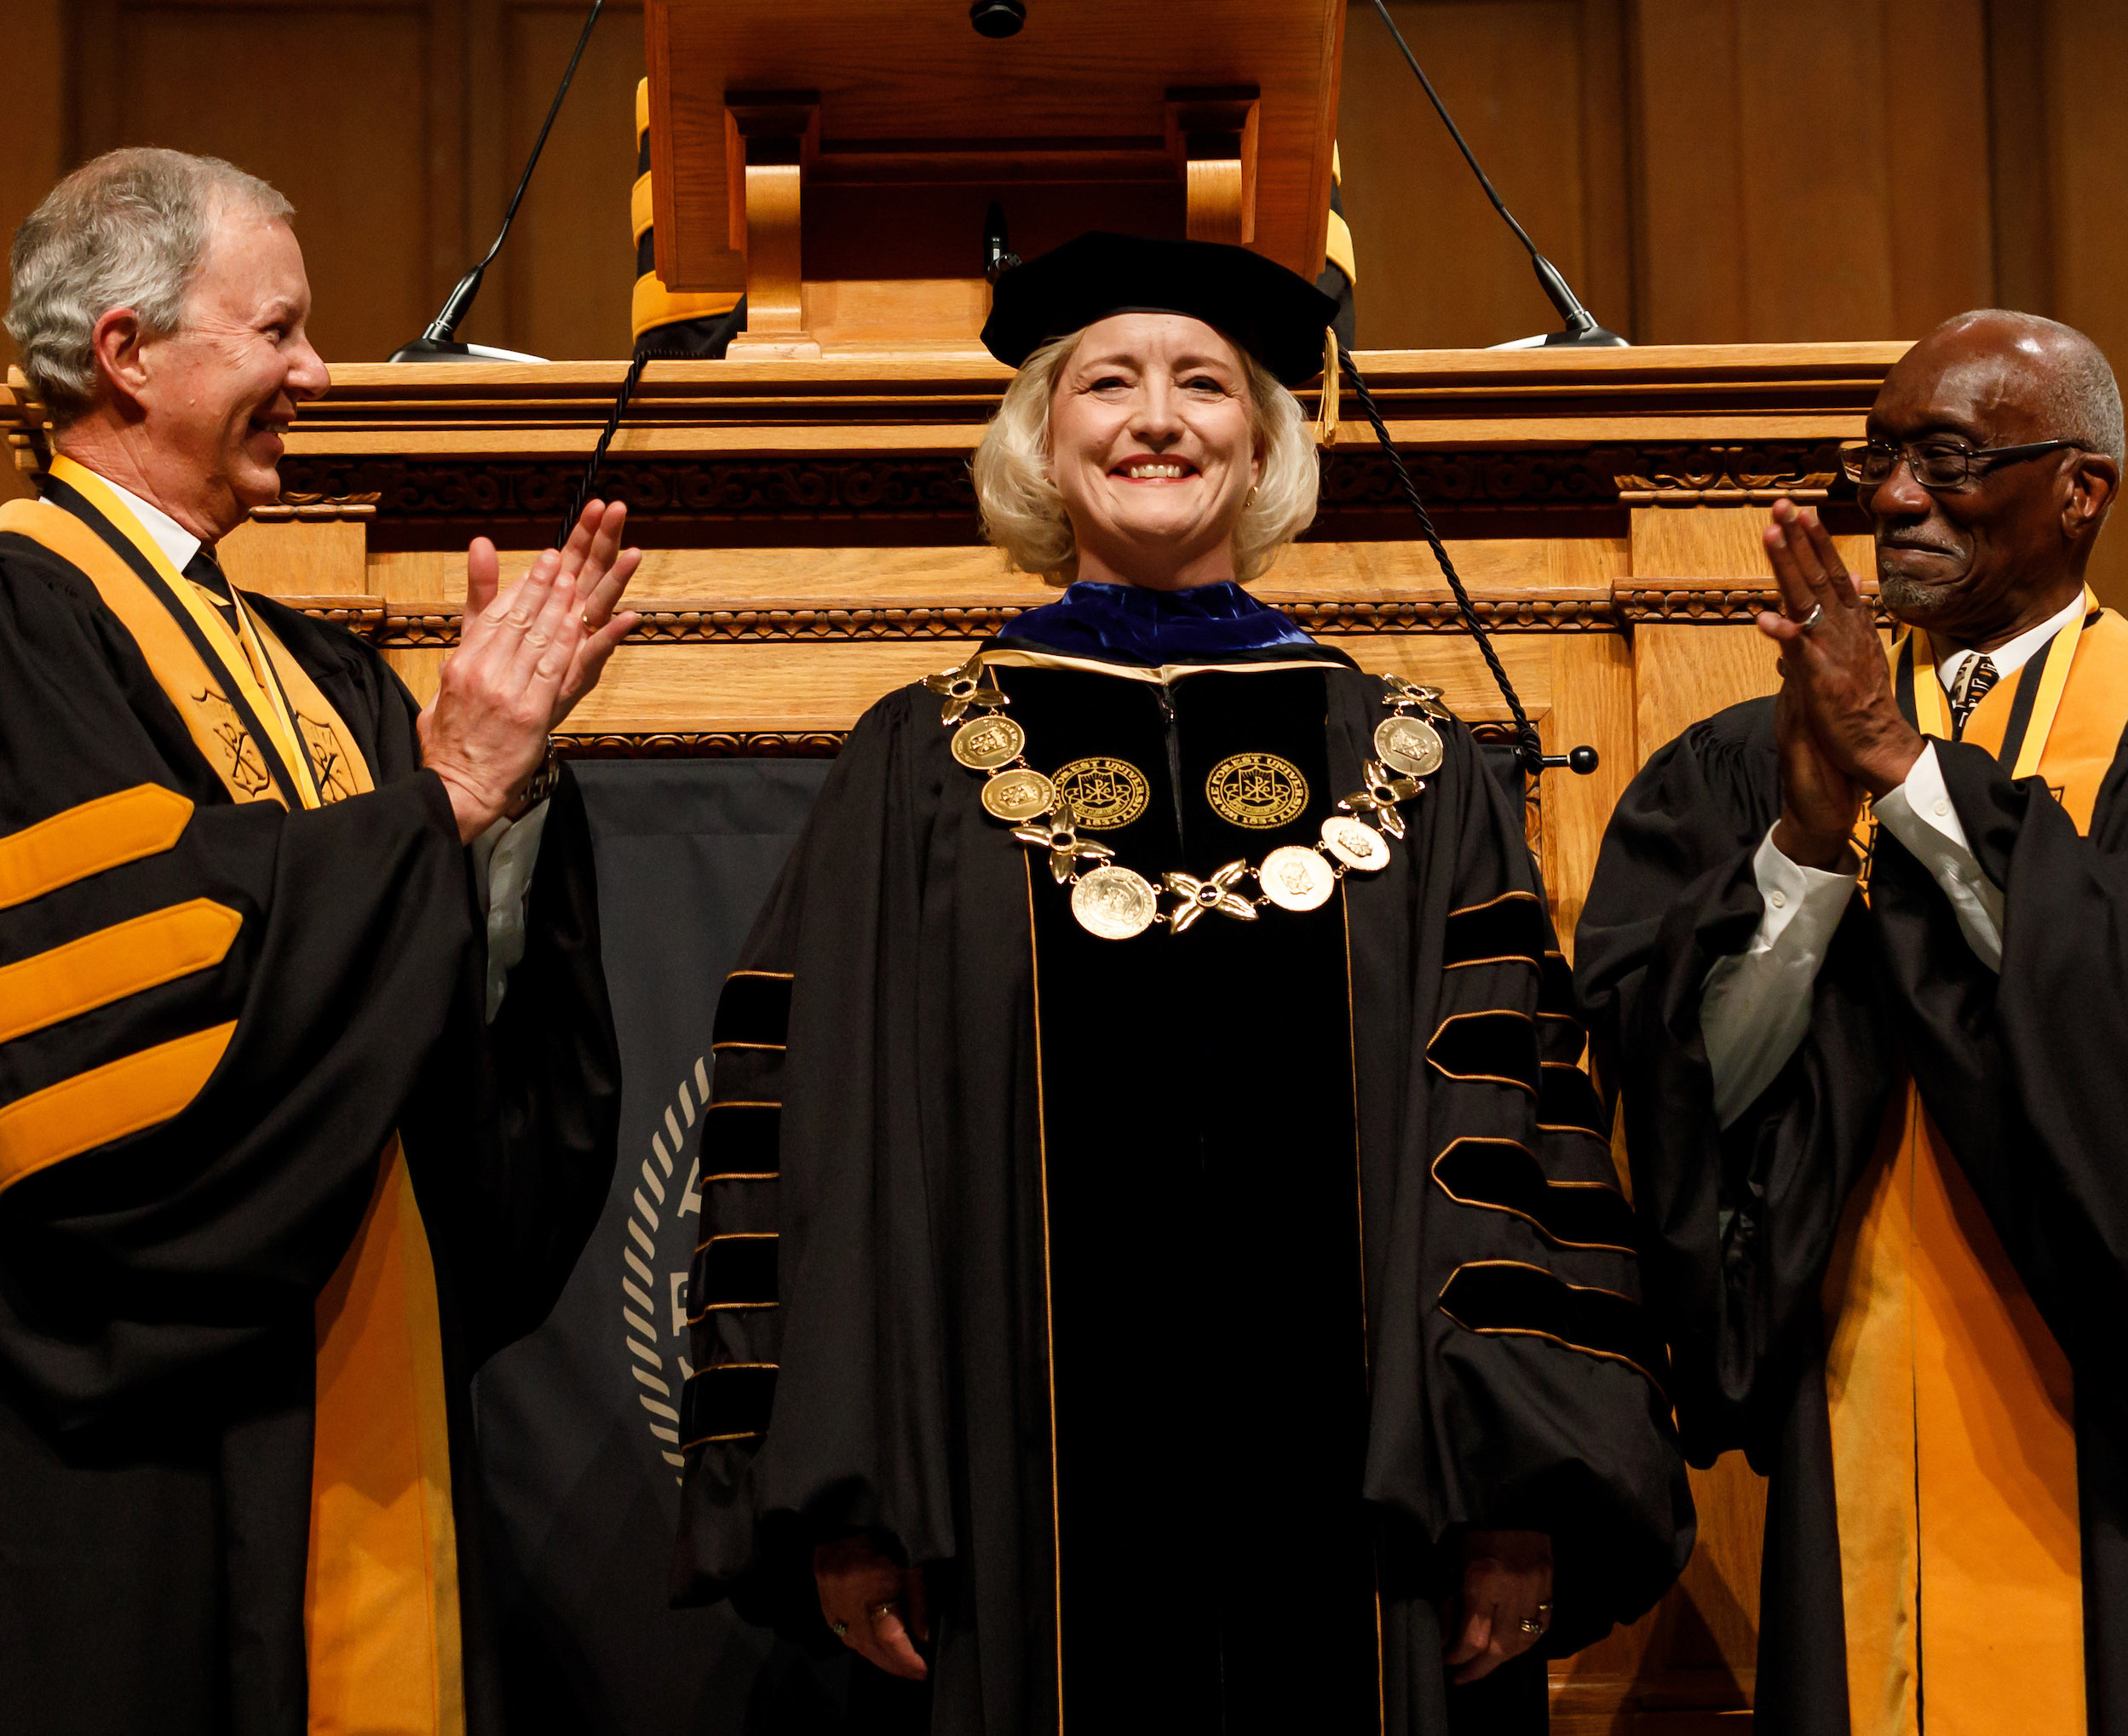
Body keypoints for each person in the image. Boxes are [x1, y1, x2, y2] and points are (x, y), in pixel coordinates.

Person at [670, 231, 1691, 1734]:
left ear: (1264, 444)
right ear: (1041, 439)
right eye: (1108, 383)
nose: (1156, 419)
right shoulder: (919, 766)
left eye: (1204, 384)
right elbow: (817, 1145)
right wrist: (849, 1497)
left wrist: (1511, 1485)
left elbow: (1510, 1138)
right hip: (1009, 1523)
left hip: (1370, 1534)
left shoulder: (1404, 762)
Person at [0, 148, 641, 1734]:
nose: (320, 373)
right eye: (278, 330)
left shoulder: (317, 672)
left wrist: (502, 797)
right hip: (135, 1443)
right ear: (127, 351)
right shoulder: (21, 619)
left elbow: (423, 1013)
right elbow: (122, 988)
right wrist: (440, 802)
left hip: (350, 1364)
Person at [1575, 309, 2128, 1735]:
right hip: (1852, 1382)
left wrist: (1904, 770)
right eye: (1875, 458)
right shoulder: (1747, 764)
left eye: (1945, 458)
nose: (1889, 499)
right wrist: (1806, 854)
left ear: (2080, 489)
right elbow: (1687, 1096)